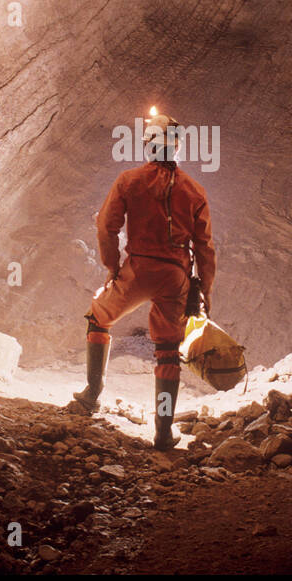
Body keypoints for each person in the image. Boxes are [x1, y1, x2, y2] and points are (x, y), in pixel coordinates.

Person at [72, 108, 217, 451]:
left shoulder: (128, 181)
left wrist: (112, 268)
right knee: (168, 351)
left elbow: (105, 226)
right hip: (176, 276)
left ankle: (92, 395)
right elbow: (206, 247)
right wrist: (206, 289)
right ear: (178, 148)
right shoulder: (195, 191)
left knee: (98, 317)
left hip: (138, 269)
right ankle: (163, 433)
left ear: (149, 146)